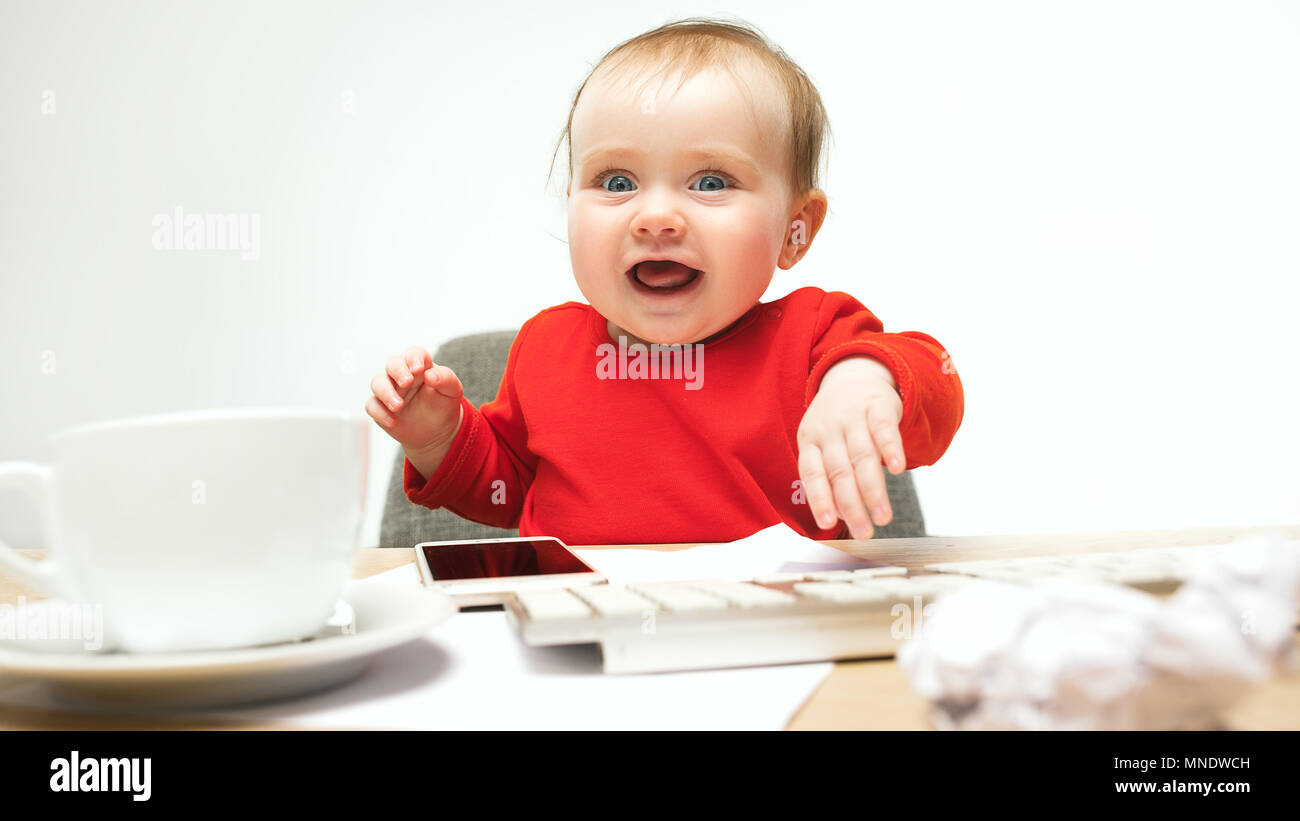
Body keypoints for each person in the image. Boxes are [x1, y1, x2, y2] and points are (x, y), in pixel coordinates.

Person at [366, 18, 964, 546]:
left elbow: (933, 380)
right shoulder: (546, 347)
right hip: (580, 631)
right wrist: (438, 439)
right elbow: (506, 490)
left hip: (770, 627)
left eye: (709, 183)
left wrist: (862, 379)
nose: (654, 217)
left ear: (794, 230)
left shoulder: (814, 337)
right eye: (617, 182)